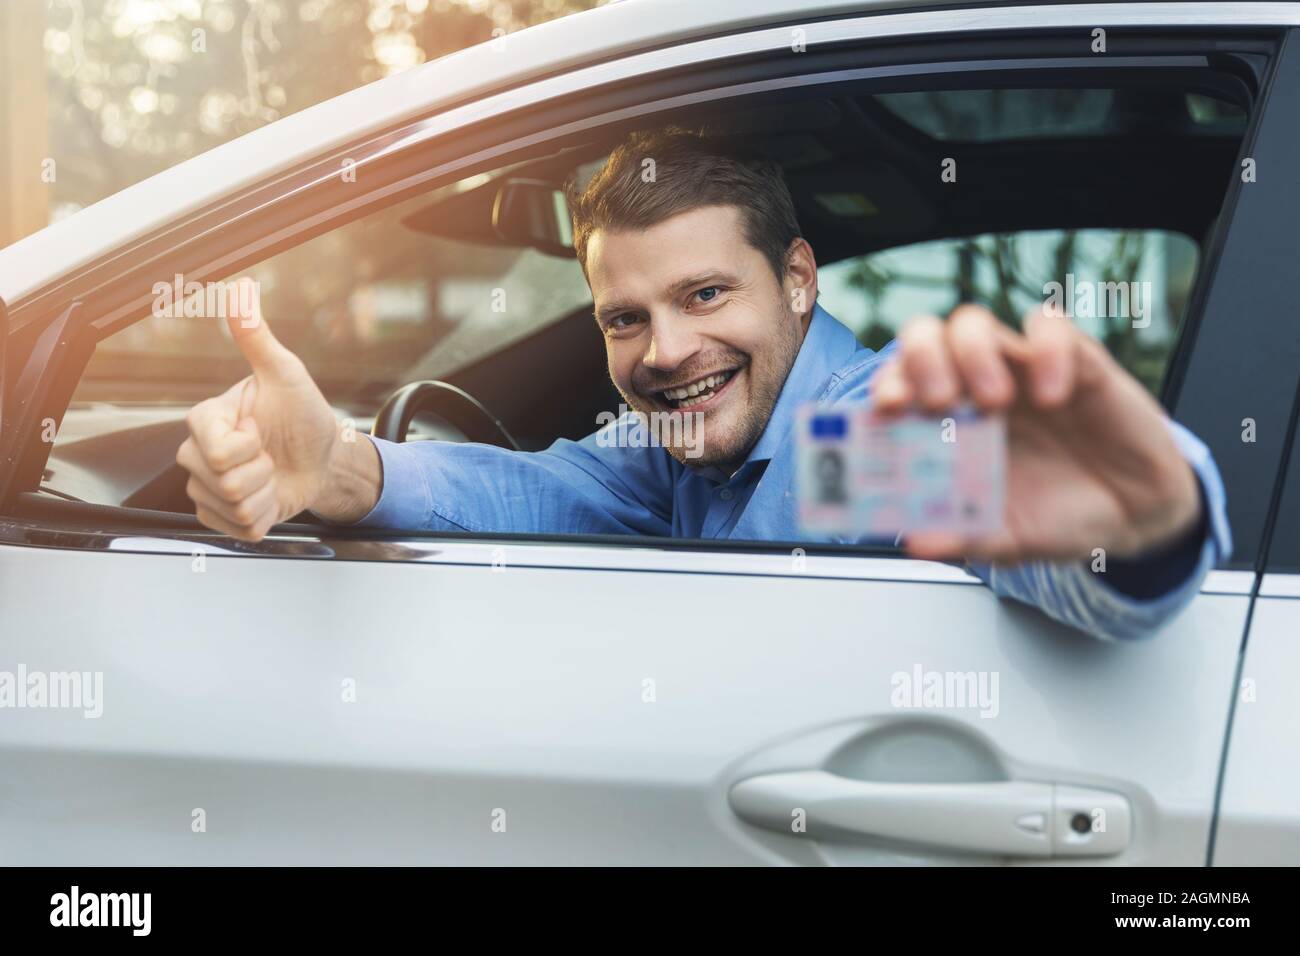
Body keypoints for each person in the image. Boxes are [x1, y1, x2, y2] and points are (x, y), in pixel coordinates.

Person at [176, 128, 1230, 641]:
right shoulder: (684, 458)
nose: (664, 351)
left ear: (799, 280)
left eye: (706, 294)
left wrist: (1141, 529)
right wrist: (339, 465)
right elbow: (539, 490)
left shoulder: (851, 445)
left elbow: (1008, 503)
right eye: (624, 317)